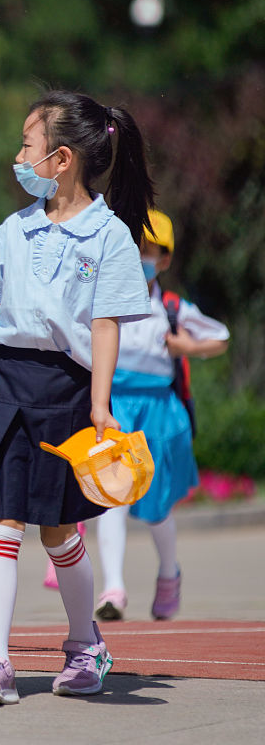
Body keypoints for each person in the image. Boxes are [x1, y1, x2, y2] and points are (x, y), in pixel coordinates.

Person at [0, 90, 154, 705]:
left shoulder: (109, 236)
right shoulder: (14, 229)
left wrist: (99, 406)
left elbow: (104, 325)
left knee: (60, 531)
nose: (18, 156)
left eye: (27, 145)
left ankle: (84, 643)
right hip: (3, 384)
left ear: (61, 158)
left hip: (66, 388)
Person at [94, 209, 228, 621]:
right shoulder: (106, 300)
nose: (141, 256)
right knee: (111, 501)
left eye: (151, 250)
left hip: (158, 413)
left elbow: (220, 337)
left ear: (165, 259)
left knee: (156, 507)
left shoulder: (172, 308)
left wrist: (186, 348)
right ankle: (113, 588)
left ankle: (169, 574)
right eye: (136, 246)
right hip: (117, 409)